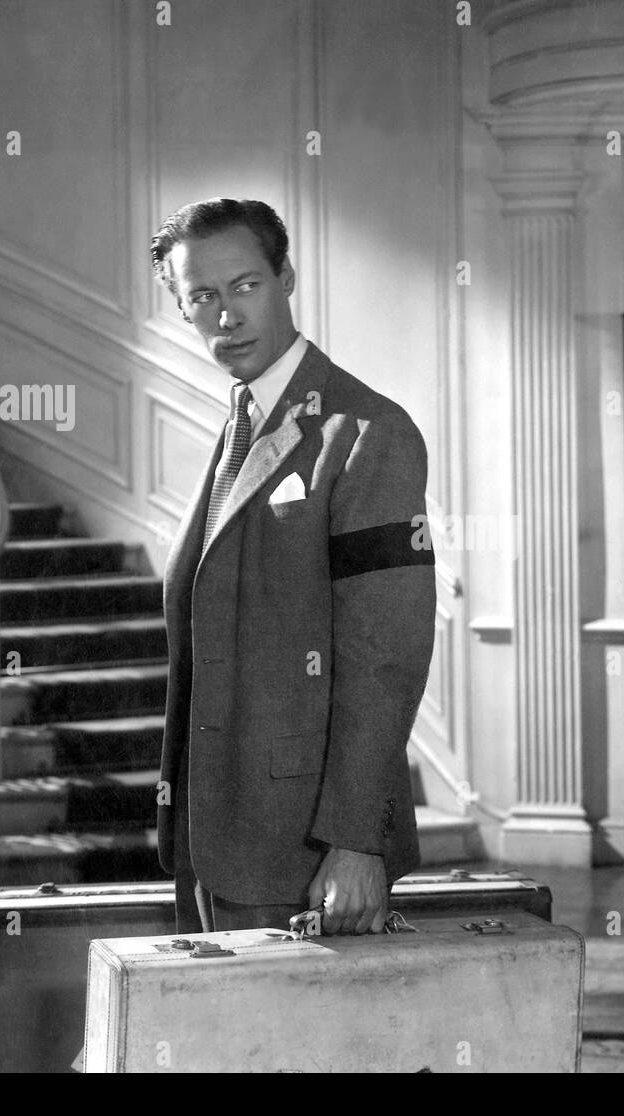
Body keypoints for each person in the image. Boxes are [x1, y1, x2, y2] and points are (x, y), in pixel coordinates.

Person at [149, 198, 436, 936]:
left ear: (287, 278)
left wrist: (355, 841)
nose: (226, 316)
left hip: (306, 848)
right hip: (214, 834)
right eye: (202, 297)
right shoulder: (238, 426)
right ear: (182, 310)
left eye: (245, 286)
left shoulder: (368, 430)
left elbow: (385, 658)